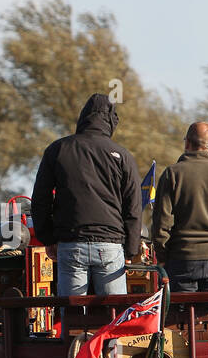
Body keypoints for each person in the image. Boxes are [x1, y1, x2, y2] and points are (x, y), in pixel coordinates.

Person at [30, 93, 142, 296]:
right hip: (110, 244)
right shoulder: (123, 156)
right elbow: (133, 206)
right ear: (111, 120)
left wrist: (48, 238)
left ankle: (72, 328)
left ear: (83, 117)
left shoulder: (58, 149)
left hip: (71, 244)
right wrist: (131, 249)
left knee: (72, 317)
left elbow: (40, 199)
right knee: (114, 319)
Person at [151, 122, 208, 292]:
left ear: (187, 143)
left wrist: (163, 258)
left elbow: (161, 224)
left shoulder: (172, 174)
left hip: (182, 259)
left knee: (183, 316)